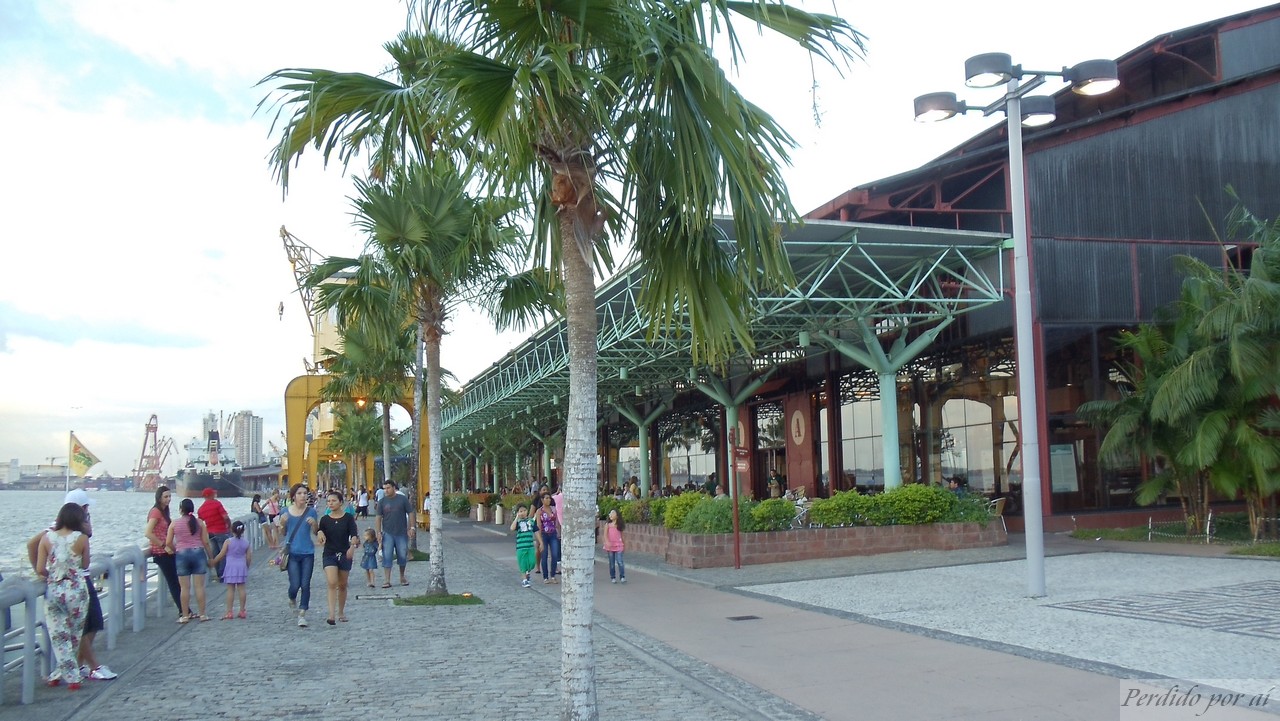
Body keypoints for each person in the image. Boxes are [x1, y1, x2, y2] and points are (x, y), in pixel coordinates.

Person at [27, 489, 116, 681]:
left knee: (91, 624)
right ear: (79, 509)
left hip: (69, 584)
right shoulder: (55, 530)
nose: (88, 511)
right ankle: (91, 666)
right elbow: (31, 545)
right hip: (77, 584)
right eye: (86, 508)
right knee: (81, 627)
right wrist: (44, 572)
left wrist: (43, 571)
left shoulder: (76, 530)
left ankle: (76, 666)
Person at [34, 502, 90, 690]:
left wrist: (52, 573)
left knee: (59, 636)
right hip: (77, 591)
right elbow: (85, 565)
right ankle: (72, 677)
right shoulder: (82, 538)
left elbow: (41, 568)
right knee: (74, 635)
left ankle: (59, 674)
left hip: (55, 590)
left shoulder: (46, 538)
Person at [278, 483, 319, 627]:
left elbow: (315, 532)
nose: (303, 496)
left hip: (308, 552)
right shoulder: (285, 511)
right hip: (293, 553)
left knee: (305, 584)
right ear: (294, 496)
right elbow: (283, 533)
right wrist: (282, 524)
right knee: (295, 584)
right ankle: (292, 597)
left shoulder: (311, 512)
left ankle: (302, 613)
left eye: (305, 493)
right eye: (300, 493)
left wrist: (314, 524)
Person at [165, 498, 212, 623]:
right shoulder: (200, 523)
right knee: (199, 587)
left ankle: (185, 616)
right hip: (198, 553)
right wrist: (211, 557)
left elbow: (168, 542)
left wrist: (176, 550)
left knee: (184, 588)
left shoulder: (174, 523)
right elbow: (206, 542)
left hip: (182, 554)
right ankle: (203, 615)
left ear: (181, 510)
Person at [316, 490, 359, 625]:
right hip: (329, 553)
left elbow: (354, 535)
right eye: (328, 501)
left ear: (341, 502)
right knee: (332, 581)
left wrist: (352, 547)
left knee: (342, 584)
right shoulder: (324, 519)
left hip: (344, 553)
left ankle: (341, 611)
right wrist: (319, 532)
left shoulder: (348, 518)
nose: (330, 503)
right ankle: (331, 614)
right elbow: (319, 530)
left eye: (333, 501)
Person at [144, 485, 187, 618]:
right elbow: (148, 532)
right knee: (174, 582)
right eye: (165, 497)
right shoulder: (156, 512)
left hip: (168, 552)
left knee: (177, 581)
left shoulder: (164, 512)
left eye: (169, 496)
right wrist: (163, 546)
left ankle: (185, 610)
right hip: (161, 552)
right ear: (159, 498)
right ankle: (183, 611)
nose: (168, 499)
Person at [375, 481, 415, 588]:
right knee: (387, 555)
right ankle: (387, 580)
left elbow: (410, 512)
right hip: (387, 533)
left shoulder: (402, 500)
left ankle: (402, 576)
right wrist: (378, 532)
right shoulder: (382, 502)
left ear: (393, 488)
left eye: (388, 488)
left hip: (401, 532)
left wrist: (412, 527)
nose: (386, 490)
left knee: (402, 555)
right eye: (384, 488)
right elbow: (378, 517)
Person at [211, 520, 251, 619]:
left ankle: (229, 612)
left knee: (230, 589)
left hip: (230, 567)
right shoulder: (246, 542)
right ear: (243, 530)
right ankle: (242, 610)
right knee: (241, 589)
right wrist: (247, 566)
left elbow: (222, 554)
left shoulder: (228, 541)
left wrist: (214, 561)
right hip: (241, 566)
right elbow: (249, 557)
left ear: (231, 530)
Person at [197, 488, 231, 582]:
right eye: (213, 494)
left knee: (215, 553)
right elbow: (225, 517)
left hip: (210, 533)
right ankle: (223, 575)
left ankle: (219, 574)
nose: (214, 495)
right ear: (210, 495)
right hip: (221, 531)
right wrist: (229, 525)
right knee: (223, 553)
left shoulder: (201, 509)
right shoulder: (217, 504)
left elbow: (199, 522)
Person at [533, 493, 560, 584]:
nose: (548, 500)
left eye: (549, 498)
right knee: (544, 556)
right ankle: (545, 576)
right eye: (546, 498)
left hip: (553, 534)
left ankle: (553, 575)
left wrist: (559, 534)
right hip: (544, 534)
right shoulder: (539, 511)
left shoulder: (553, 509)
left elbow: (557, 522)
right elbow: (538, 525)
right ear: (542, 500)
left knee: (555, 554)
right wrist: (539, 540)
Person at [510, 504, 537, 588]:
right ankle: (524, 580)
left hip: (530, 546)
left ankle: (527, 572)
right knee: (522, 564)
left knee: (532, 563)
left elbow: (536, 530)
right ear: (518, 513)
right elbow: (512, 528)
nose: (523, 513)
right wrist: (516, 518)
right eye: (520, 511)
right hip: (521, 547)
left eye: (524, 511)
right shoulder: (518, 522)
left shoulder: (531, 521)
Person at [603, 508, 626, 584]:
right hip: (610, 546)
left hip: (619, 545)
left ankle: (622, 576)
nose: (611, 515)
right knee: (612, 563)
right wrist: (607, 542)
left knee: (620, 561)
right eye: (610, 513)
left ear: (617, 515)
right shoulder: (608, 525)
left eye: (613, 513)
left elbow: (622, 536)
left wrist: (624, 544)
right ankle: (613, 577)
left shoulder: (619, 525)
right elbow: (605, 535)